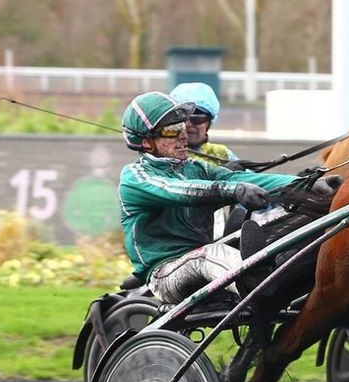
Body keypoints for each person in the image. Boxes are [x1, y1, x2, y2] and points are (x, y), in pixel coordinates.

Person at [118, 91, 314, 304]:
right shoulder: (135, 177)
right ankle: (261, 286)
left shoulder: (197, 168)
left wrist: (306, 184)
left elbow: (239, 178)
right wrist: (234, 190)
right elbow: (179, 190)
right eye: (173, 130)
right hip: (164, 274)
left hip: (204, 263)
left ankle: (277, 276)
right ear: (147, 142)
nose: (184, 135)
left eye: (182, 126)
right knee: (208, 254)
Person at [169, 82, 239, 166]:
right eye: (182, 119)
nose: (188, 124)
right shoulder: (164, 154)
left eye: (197, 118)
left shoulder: (223, 154)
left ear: (209, 122)